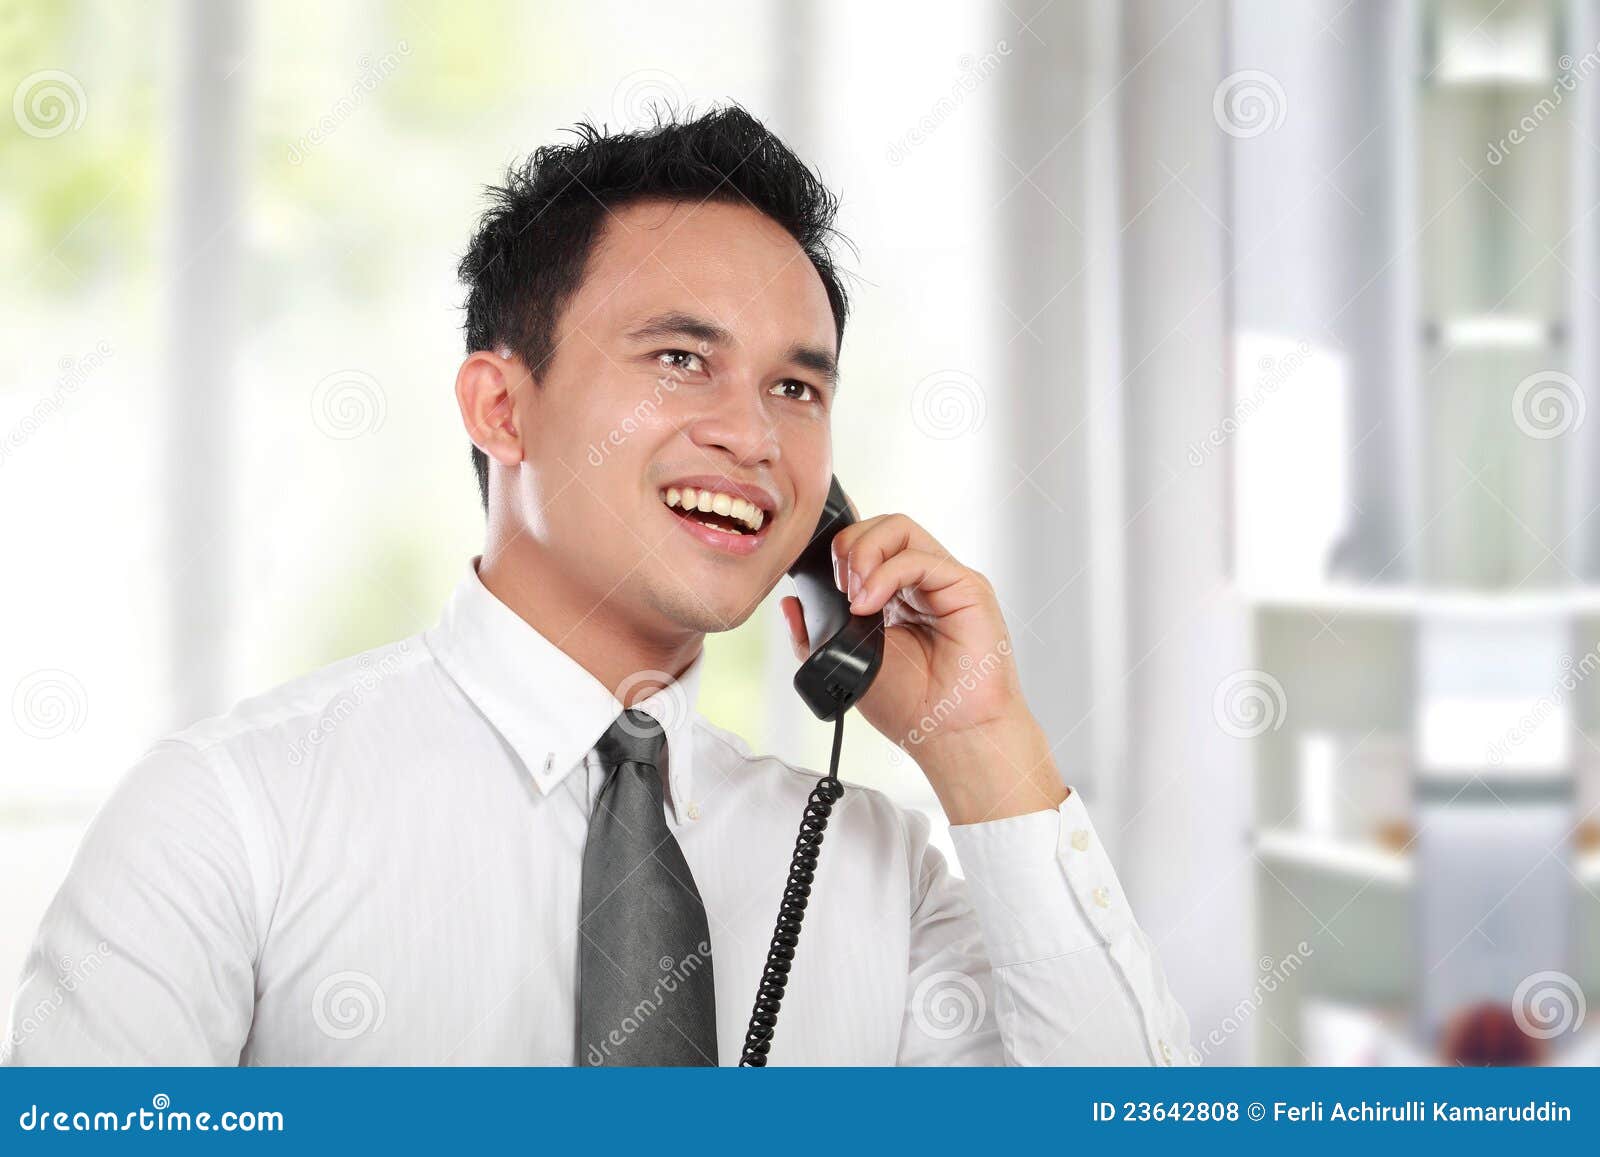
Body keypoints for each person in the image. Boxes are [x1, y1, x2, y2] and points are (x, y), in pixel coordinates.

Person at [3, 107, 1191, 1066]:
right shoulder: (228, 813)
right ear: (501, 407)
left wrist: (978, 744)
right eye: (680, 358)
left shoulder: (874, 865)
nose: (754, 437)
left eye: (796, 388)